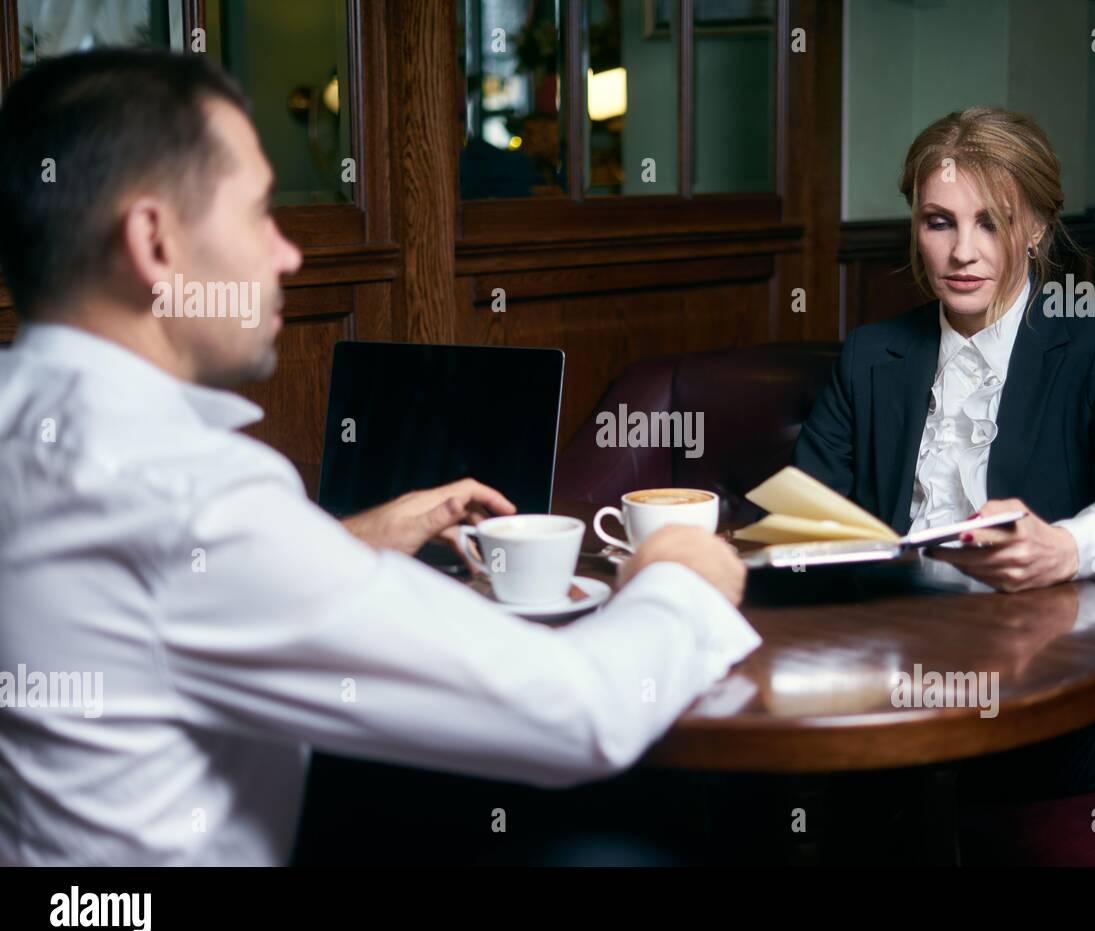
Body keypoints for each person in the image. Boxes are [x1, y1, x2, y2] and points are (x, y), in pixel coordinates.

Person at [0, 49, 759, 865]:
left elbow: (147, 600)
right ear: (154, 241)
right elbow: (581, 714)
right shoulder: (184, 491)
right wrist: (681, 575)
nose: (286, 254)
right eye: (258, 214)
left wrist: (349, 542)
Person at [794, 106, 1095, 797]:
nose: (963, 253)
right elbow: (804, 519)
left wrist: (1066, 548)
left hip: (1045, 681)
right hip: (887, 674)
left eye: (993, 222)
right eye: (939, 221)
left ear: (1036, 227)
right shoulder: (868, 355)